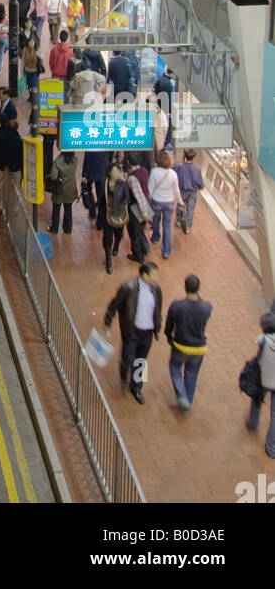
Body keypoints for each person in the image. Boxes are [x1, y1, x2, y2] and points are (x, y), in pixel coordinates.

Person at [104, 262, 163, 405]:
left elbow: (158, 309)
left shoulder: (156, 289)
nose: (157, 277)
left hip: (147, 332)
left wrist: (157, 326)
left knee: (141, 361)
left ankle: (136, 387)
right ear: (144, 275)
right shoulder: (128, 287)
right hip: (131, 331)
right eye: (154, 274)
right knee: (128, 358)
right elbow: (115, 304)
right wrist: (108, 320)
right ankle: (124, 368)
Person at [164, 274, 212, 411]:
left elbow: (169, 326)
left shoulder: (177, 306)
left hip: (180, 346)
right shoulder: (207, 307)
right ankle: (188, 400)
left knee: (175, 367)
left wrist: (169, 337)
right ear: (199, 288)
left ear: (185, 288)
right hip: (199, 348)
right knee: (191, 373)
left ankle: (182, 396)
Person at [246, 312, 275, 458]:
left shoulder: (262, 341)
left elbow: (258, 344)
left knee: (257, 400)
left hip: (264, 379)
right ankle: (271, 447)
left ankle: (252, 422)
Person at [148, 149, 183, 259]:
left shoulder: (154, 172)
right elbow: (176, 190)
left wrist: (147, 200)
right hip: (169, 203)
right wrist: (181, 202)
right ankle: (166, 251)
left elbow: (150, 188)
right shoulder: (173, 174)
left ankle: (155, 237)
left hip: (157, 201)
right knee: (167, 225)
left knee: (156, 220)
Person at [0, 102, 23, 216]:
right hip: (15, 167)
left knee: (1, 185)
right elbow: (21, 155)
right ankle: (14, 209)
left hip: (1, 165)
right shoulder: (19, 140)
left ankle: (0, 205)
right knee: (15, 188)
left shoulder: (1, 137)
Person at [103, 162, 130, 274]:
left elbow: (127, 198)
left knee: (118, 234)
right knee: (107, 238)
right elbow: (101, 200)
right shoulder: (104, 184)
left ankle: (117, 245)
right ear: (109, 173)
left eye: (119, 171)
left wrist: (121, 205)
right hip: (107, 215)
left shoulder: (123, 184)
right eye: (115, 171)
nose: (118, 173)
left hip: (119, 215)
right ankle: (108, 259)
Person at [125, 153, 153, 262]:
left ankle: (138, 255)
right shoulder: (144, 171)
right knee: (141, 229)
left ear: (128, 163)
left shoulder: (133, 178)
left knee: (134, 231)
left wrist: (144, 213)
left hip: (136, 208)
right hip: (146, 203)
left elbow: (138, 196)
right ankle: (145, 248)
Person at [46, 150, 78, 235]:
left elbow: (53, 176)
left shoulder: (58, 161)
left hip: (59, 189)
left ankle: (54, 228)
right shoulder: (75, 160)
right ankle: (67, 228)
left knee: (56, 209)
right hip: (71, 188)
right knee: (68, 208)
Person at [175, 148, 204, 234]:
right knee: (190, 208)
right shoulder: (197, 169)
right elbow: (200, 184)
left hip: (182, 189)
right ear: (194, 158)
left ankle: (178, 220)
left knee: (180, 204)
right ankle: (188, 226)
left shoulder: (179, 167)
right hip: (192, 191)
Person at [82, 150, 109, 230]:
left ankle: (92, 210)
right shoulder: (104, 144)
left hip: (90, 173)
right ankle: (100, 223)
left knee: (88, 191)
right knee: (101, 199)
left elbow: (87, 161)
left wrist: (84, 175)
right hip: (101, 174)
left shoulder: (90, 146)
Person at [150, 67, 176, 150]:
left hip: (158, 107)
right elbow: (167, 98)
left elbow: (153, 92)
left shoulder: (159, 79)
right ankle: (166, 143)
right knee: (166, 125)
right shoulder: (168, 84)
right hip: (165, 108)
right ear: (171, 74)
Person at [22, 36, 43, 105]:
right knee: (29, 84)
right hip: (27, 69)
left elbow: (42, 57)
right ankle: (31, 95)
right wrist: (22, 69)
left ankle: (34, 96)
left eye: (33, 42)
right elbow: (23, 60)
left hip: (35, 70)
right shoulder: (25, 49)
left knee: (34, 83)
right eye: (30, 42)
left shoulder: (37, 49)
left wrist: (38, 55)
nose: (31, 43)